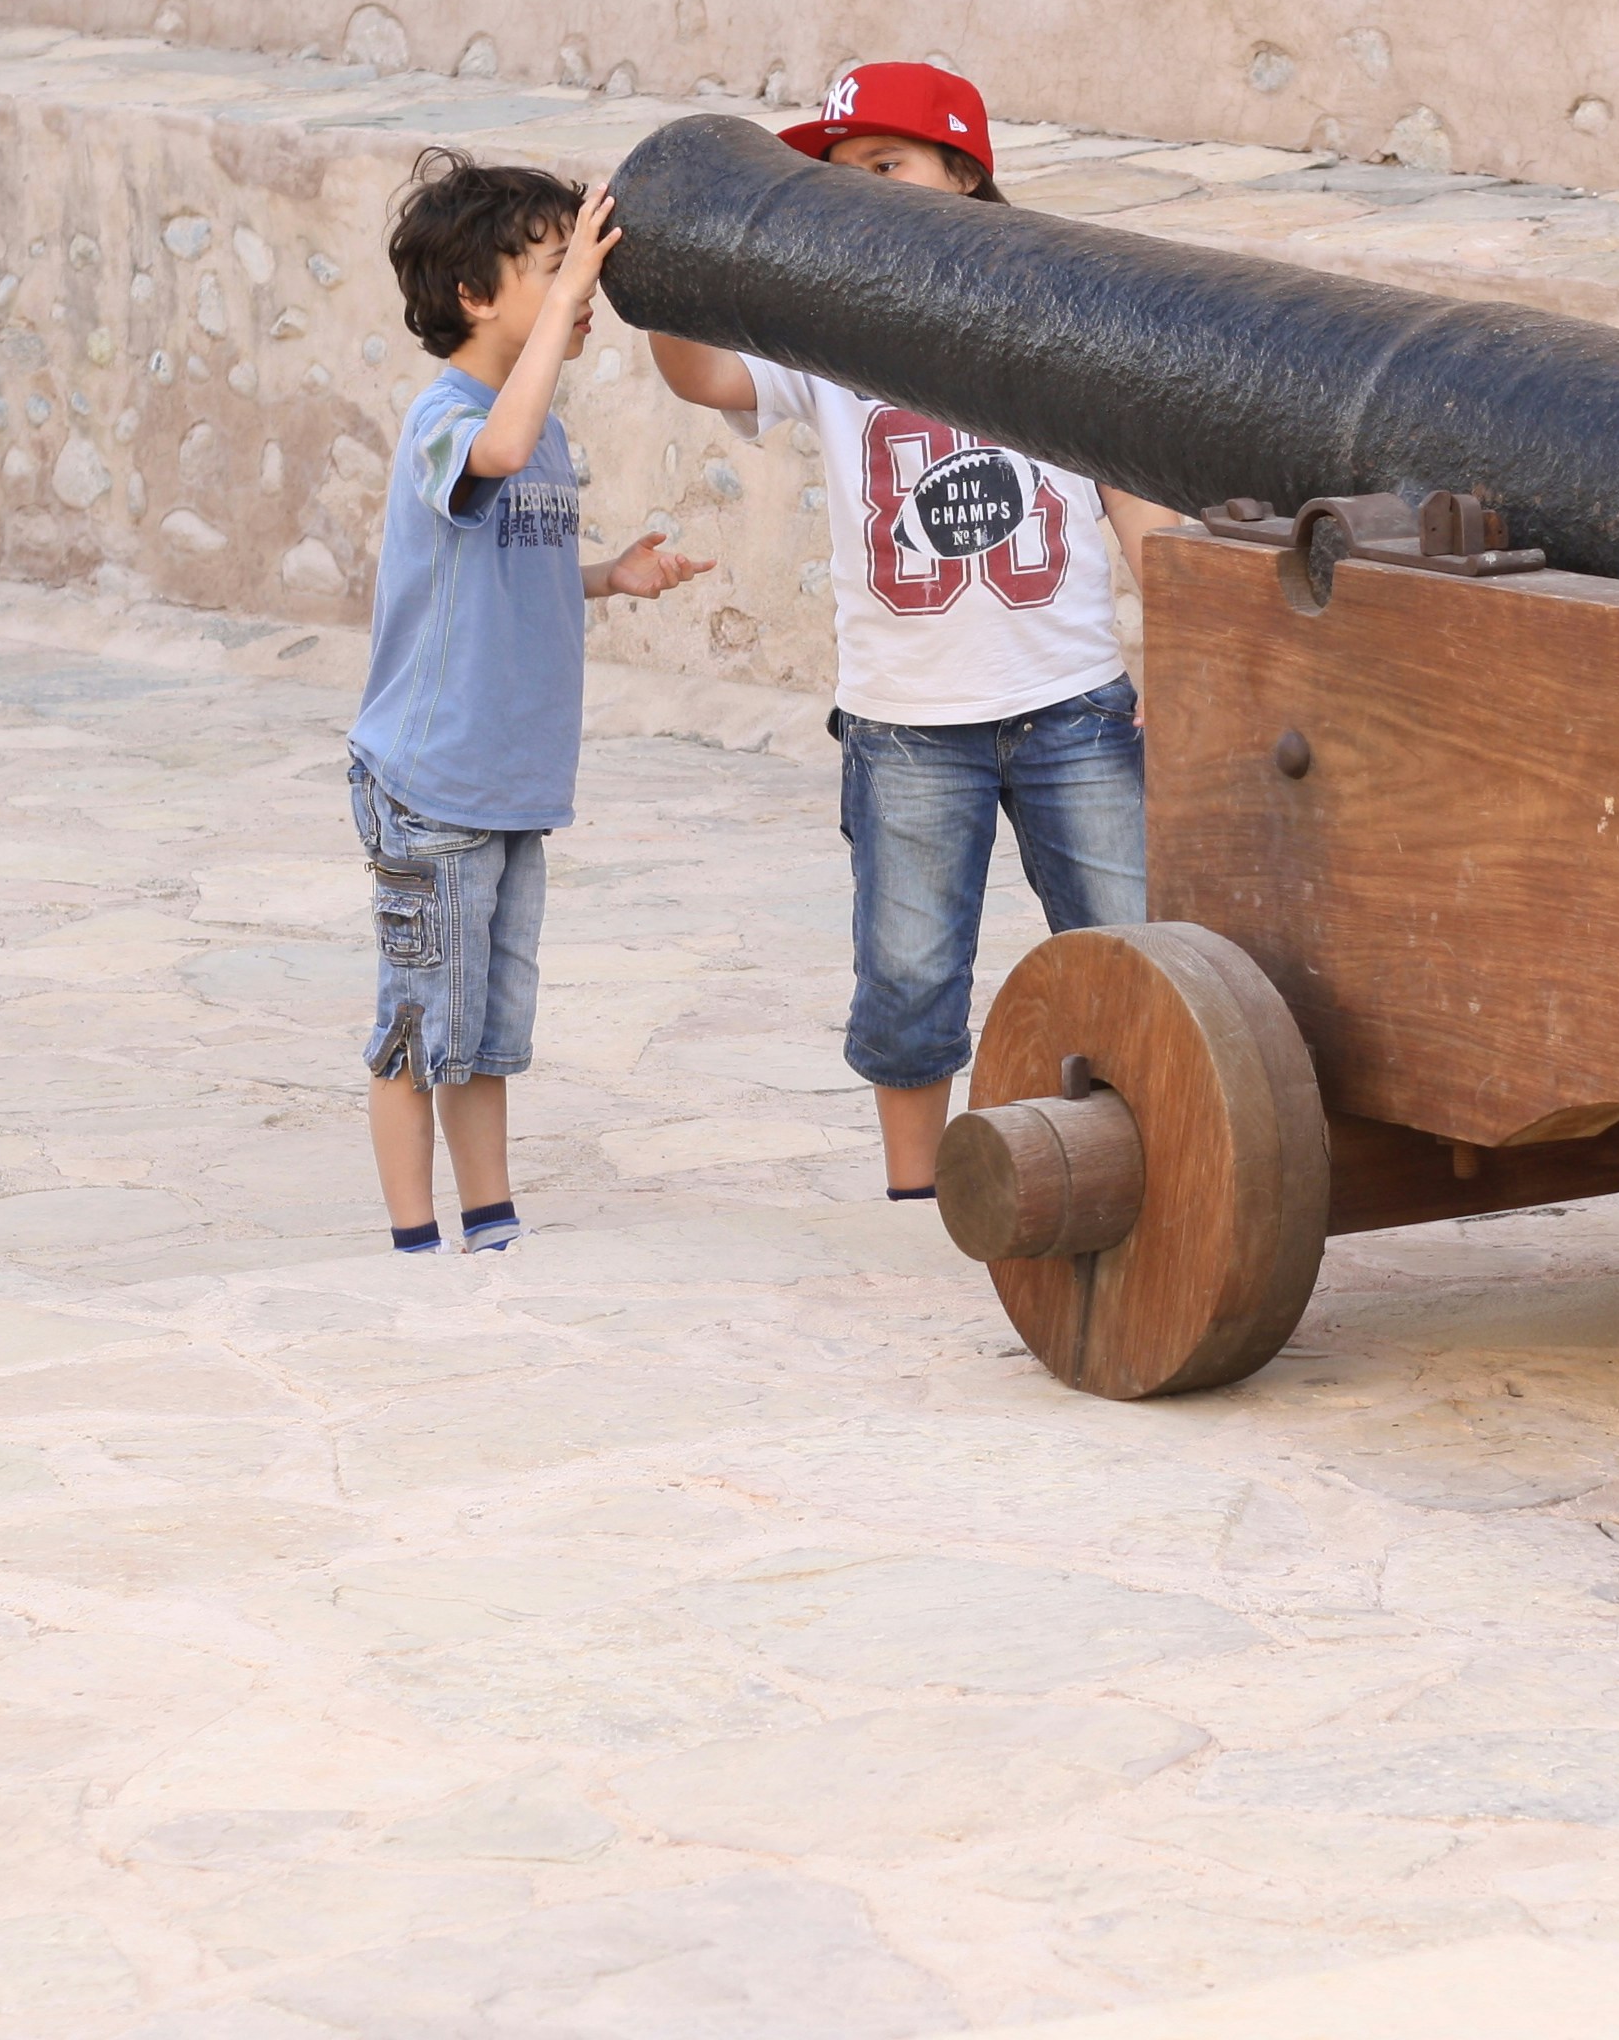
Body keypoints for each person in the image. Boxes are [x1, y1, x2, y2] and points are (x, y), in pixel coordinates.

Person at [644, 63, 1185, 1200]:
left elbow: (1132, 493)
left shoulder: (1064, 313)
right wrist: (660, 273)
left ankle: (1159, 1157)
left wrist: (1187, 635)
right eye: (843, 180)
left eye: (886, 168)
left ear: (961, 171)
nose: (862, 194)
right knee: (908, 968)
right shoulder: (830, 336)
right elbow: (702, 375)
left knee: (1136, 941)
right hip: (908, 724)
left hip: (1071, 702)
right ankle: (914, 1196)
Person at [350, 152, 710, 1253]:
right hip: (433, 780)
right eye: (559, 272)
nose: (583, 293)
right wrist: (559, 313)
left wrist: (611, 577)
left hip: (509, 787)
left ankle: (491, 1219)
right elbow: (490, 457)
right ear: (476, 294)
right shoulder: (449, 419)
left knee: (492, 1030)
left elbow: (508, 559)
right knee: (420, 1025)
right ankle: (416, 1241)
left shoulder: (539, 428)